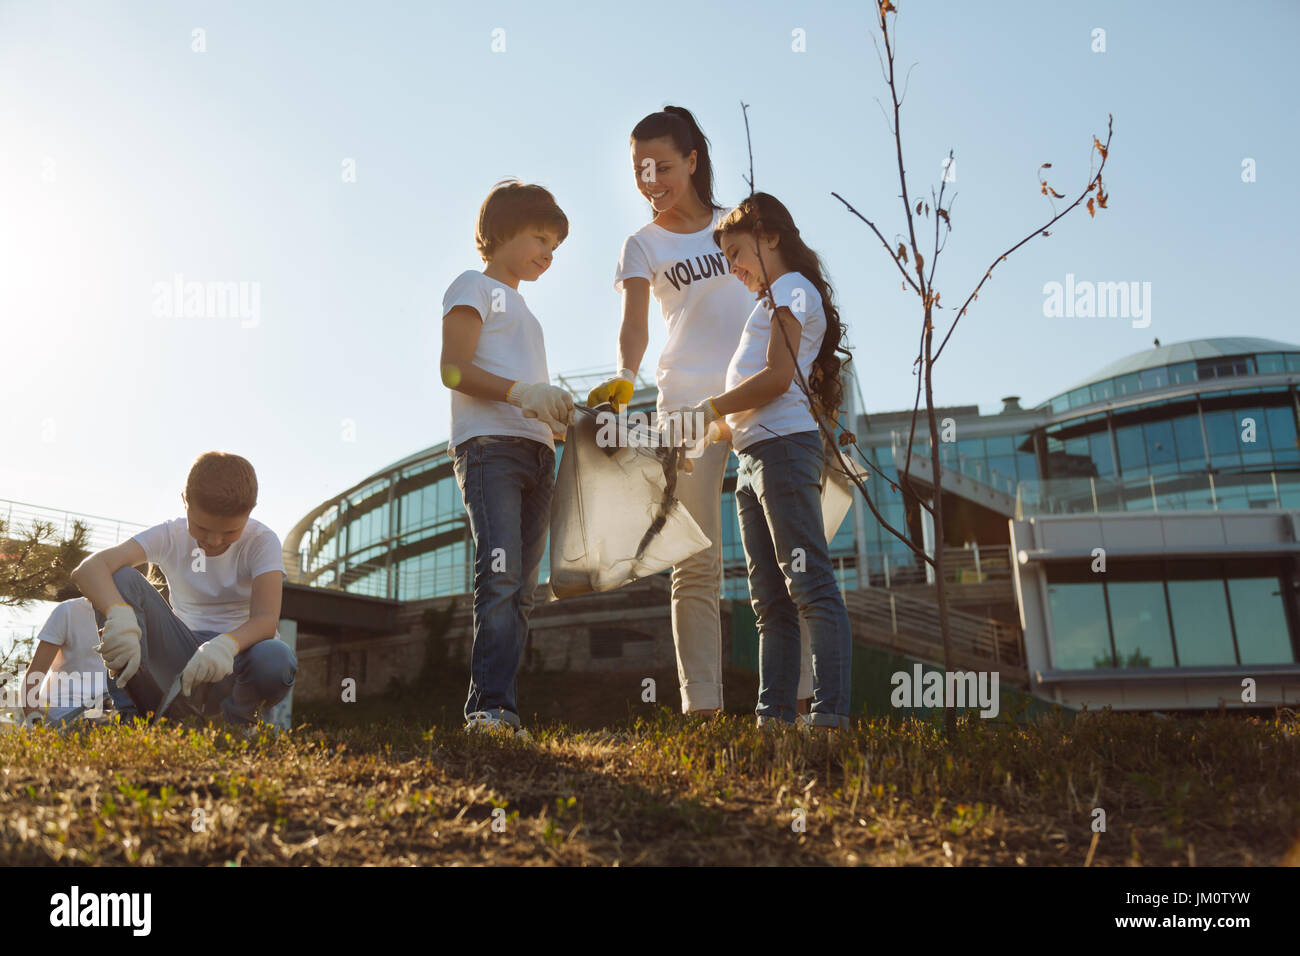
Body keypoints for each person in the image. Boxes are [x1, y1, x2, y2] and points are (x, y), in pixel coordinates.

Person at [587, 106, 754, 716]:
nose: (650, 177)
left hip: (759, 396)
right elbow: (634, 325)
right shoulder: (643, 244)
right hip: (686, 408)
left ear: (692, 160)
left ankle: (801, 701)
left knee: (787, 555)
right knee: (695, 560)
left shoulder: (739, 225)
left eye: (661, 164)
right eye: (638, 167)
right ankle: (703, 707)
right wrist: (626, 381)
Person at [681, 192, 854, 729]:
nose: (733, 269)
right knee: (770, 602)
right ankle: (773, 720)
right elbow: (761, 396)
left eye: (736, 254)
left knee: (810, 586)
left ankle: (828, 718)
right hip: (754, 458)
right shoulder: (771, 300)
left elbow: (778, 378)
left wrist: (709, 405)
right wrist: (704, 430)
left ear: (771, 237)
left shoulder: (793, 291)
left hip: (782, 450)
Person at [440, 179, 574, 736]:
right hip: (490, 449)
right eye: (541, 238)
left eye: (555, 247)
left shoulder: (529, 315)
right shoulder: (470, 285)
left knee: (522, 592)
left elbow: (529, 388)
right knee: (498, 578)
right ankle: (487, 710)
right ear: (501, 232)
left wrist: (555, 419)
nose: (548, 254)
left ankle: (504, 710)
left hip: (539, 456)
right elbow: (453, 370)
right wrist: (523, 394)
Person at [69, 451, 297, 728]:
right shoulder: (170, 535)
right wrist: (119, 615)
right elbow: (89, 569)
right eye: (202, 527)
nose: (213, 541)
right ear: (185, 501)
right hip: (181, 656)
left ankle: (237, 728)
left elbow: (265, 620)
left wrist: (226, 644)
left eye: (229, 532)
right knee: (121, 577)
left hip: (239, 660)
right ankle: (134, 717)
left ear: (250, 513)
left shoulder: (262, 541)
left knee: (277, 658)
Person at [21, 596, 134, 724]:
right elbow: (33, 679)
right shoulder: (67, 611)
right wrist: (37, 729)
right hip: (64, 714)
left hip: (108, 707)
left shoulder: (135, 613)